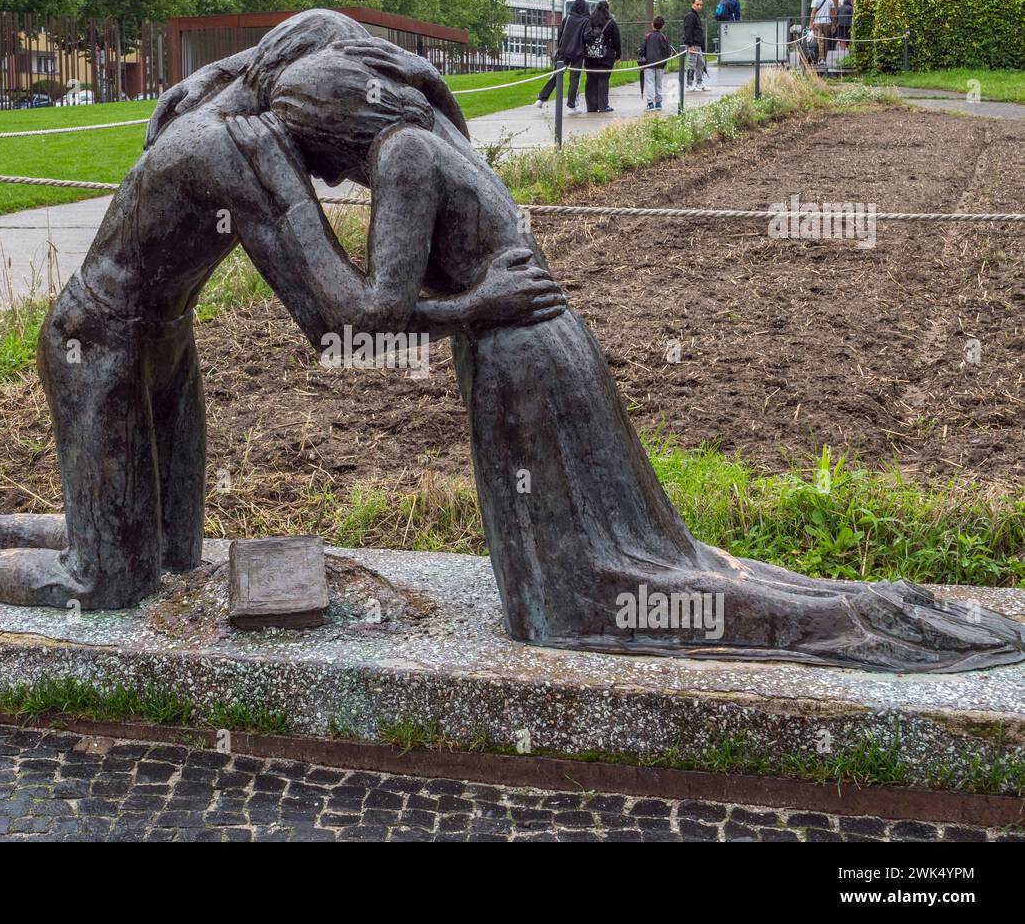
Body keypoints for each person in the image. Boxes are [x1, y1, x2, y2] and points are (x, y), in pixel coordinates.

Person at [219, 43, 1025, 673]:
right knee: (610, 561)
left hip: (518, 353)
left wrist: (294, 210)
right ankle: (852, 609)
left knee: (578, 597)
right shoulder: (431, 136)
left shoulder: (400, 158)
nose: (321, 176)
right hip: (537, 347)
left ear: (331, 132)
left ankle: (850, 618)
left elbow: (377, 313)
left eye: (311, 156)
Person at [0, 12, 563, 609]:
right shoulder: (234, 153)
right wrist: (478, 305)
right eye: (333, 153)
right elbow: (342, 331)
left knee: (169, 556)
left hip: (164, 342)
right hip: (98, 345)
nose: (335, 175)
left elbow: (319, 32)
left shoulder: (251, 95)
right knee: (104, 583)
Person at [535, 0, 594, 112]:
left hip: (563, 51)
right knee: (574, 80)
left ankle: (541, 99)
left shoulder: (567, 19)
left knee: (556, 75)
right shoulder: (586, 21)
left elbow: (560, 34)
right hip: (578, 53)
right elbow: (587, 37)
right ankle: (571, 106)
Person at [583, 1, 621, 113]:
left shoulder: (589, 22)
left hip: (590, 56)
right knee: (603, 80)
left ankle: (591, 106)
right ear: (607, 9)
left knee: (590, 81)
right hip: (606, 56)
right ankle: (603, 106)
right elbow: (617, 40)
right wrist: (618, 55)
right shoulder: (611, 23)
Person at [639, 16, 671, 112]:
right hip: (660, 64)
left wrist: (642, 62)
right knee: (659, 84)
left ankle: (650, 104)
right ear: (663, 26)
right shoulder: (663, 37)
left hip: (649, 64)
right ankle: (658, 103)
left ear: (652, 24)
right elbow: (668, 52)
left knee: (650, 83)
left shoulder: (647, 36)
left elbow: (642, 50)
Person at [683, 0, 706, 91]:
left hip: (698, 45)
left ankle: (699, 83)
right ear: (692, 4)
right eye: (697, 4)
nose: (699, 6)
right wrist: (690, 45)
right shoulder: (690, 16)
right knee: (691, 64)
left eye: (701, 5)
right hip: (692, 45)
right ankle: (689, 84)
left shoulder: (696, 15)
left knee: (700, 63)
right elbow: (688, 31)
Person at [810, 0, 835, 67]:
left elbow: (813, 12)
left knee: (819, 40)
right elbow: (833, 14)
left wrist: (810, 23)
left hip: (817, 22)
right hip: (827, 22)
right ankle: (823, 59)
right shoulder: (830, 0)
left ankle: (821, 59)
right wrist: (833, 25)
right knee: (826, 41)